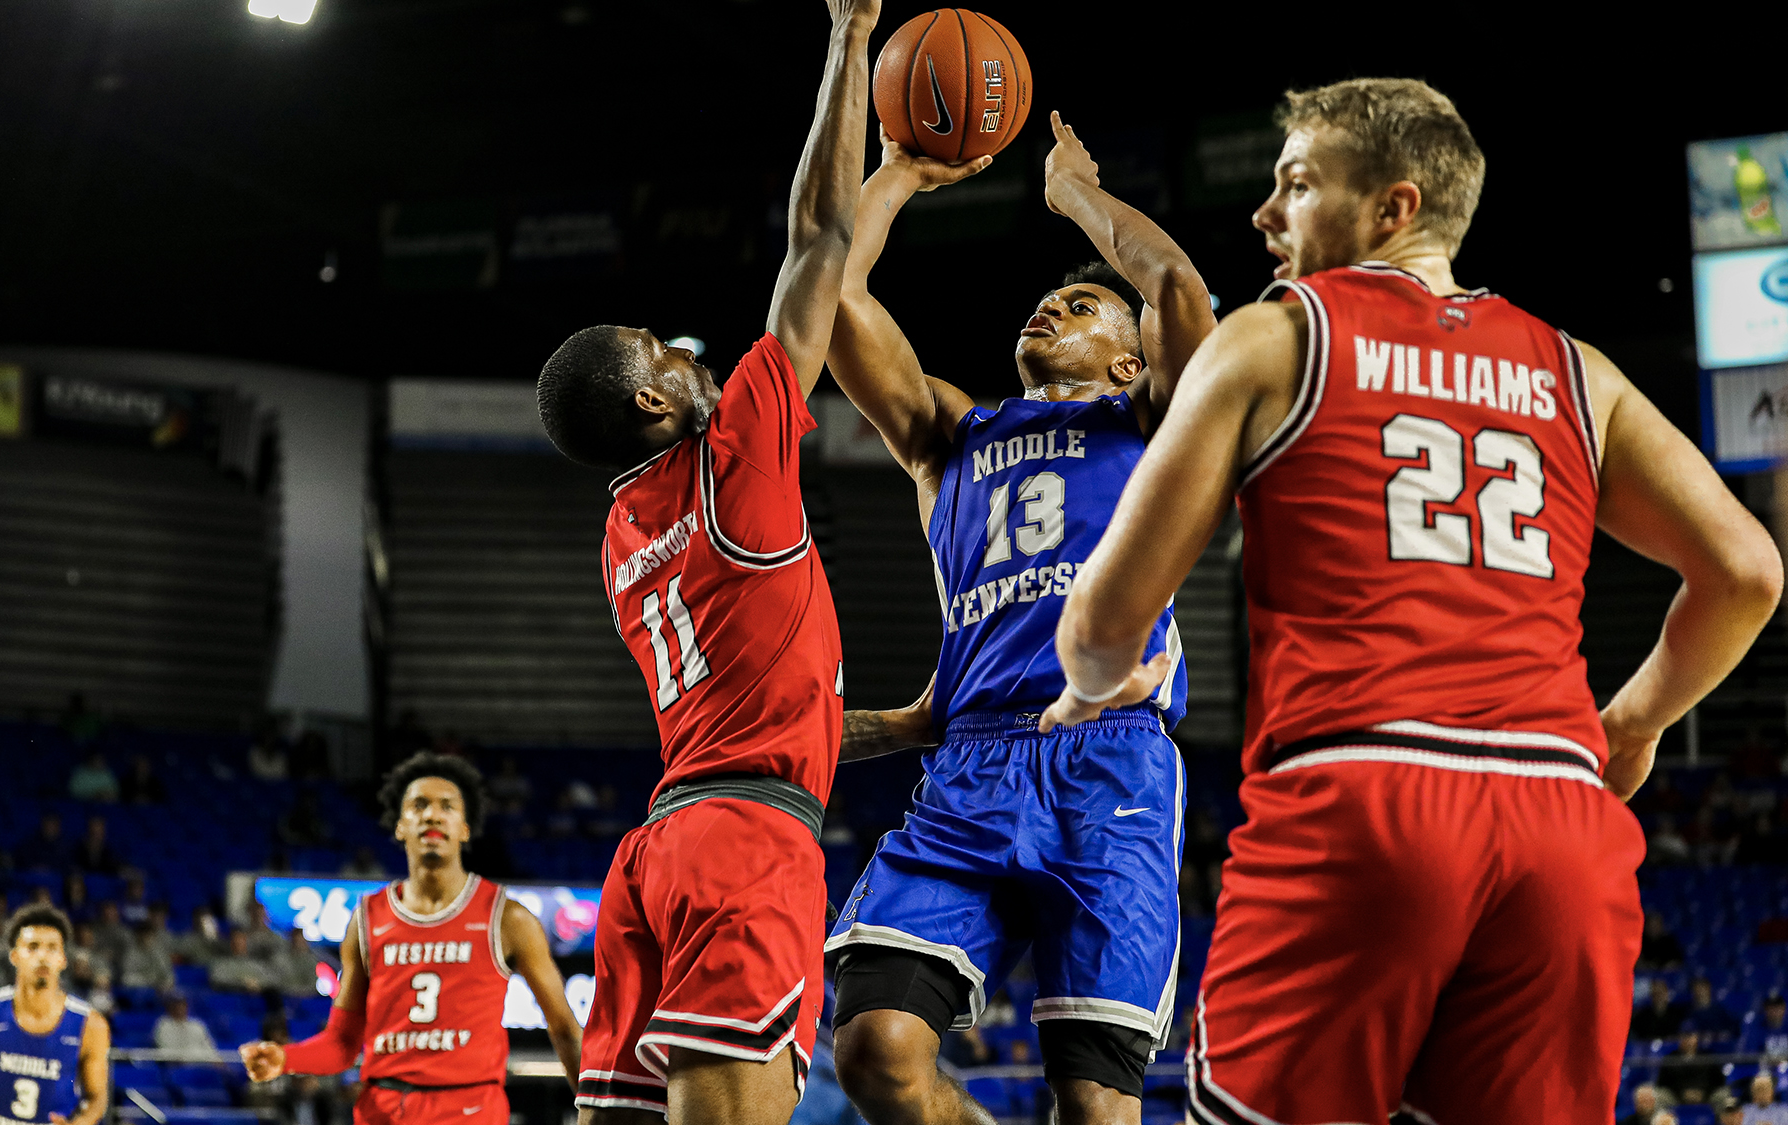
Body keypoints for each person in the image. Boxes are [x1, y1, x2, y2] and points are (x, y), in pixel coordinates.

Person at [1041, 77, 1784, 1122]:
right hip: (1560, 826)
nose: (1265, 213)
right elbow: (1746, 572)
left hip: (1362, 799)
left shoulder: (1275, 337)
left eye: (1297, 185)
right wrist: (1630, 725)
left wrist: (1089, 686)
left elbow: (1097, 626)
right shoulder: (1580, 373)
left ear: (1393, 207)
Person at [815, 105, 1217, 1124]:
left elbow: (1175, 289)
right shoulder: (952, 433)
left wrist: (1076, 196)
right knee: (873, 1049)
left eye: (1078, 305)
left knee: (1094, 1105)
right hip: (971, 762)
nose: (1049, 308)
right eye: (1046, 300)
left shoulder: (1149, 422)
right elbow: (835, 295)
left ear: (1127, 361)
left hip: (1110, 760)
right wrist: (898, 174)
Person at [527, 3, 875, 1120]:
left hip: (660, 852)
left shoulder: (623, 538)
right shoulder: (737, 459)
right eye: (665, 352)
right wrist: (852, 36)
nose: (687, 352)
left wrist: (908, 724)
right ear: (651, 399)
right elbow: (821, 237)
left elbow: (756, 720)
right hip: (744, 847)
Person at [241, 753, 582, 1125]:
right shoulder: (367, 919)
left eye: (447, 806)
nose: (432, 815)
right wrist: (286, 1058)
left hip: (469, 1109)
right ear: (400, 826)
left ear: (465, 828)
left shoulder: (507, 917)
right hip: (384, 1109)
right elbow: (342, 1043)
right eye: (419, 806)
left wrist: (593, 1112)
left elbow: (565, 1029)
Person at [0, 903, 110, 1125]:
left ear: (63, 959)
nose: (43, 956)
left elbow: (97, 1098)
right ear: (14, 955)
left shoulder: (91, 1025)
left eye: (52, 948)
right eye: (33, 946)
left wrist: (78, 1123)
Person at [154, 994, 218, 1062]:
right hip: (178, 1063)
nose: (179, 1008)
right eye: (176, 1005)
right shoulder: (163, 1025)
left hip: (201, 1062)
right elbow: (167, 1050)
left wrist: (215, 1059)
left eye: (182, 1005)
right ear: (169, 1008)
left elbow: (208, 1046)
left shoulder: (196, 1024)